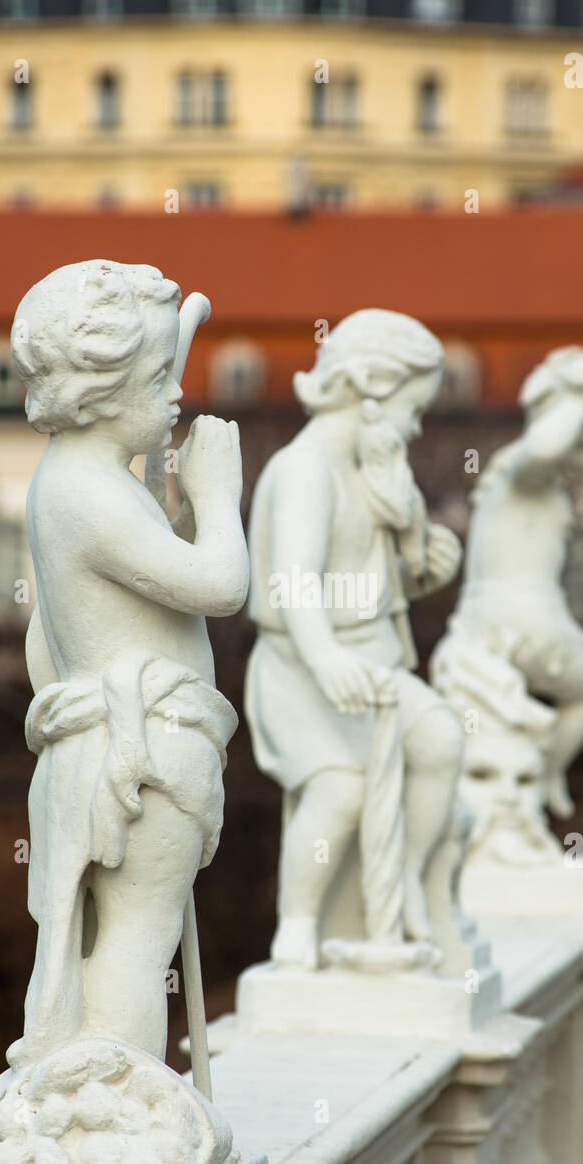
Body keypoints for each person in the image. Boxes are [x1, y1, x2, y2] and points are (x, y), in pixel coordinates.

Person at [8, 259, 247, 1065]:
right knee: (136, 952)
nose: (177, 395)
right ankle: (120, 1102)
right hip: (143, 757)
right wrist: (215, 499)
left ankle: (105, 1094)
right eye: (158, 377)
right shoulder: (91, 493)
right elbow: (219, 585)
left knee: (125, 947)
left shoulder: (77, 479)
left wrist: (170, 511)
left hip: (118, 748)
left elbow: (121, 602)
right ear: (103, 393)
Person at [245, 309, 464, 971]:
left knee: (441, 740)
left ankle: (407, 888)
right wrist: (325, 657)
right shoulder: (306, 469)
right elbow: (294, 583)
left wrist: (422, 571)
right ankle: (298, 923)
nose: (418, 425)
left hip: (369, 665)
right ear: (370, 385)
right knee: (339, 791)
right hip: (298, 668)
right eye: (413, 407)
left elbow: (370, 586)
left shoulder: (370, 472)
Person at [449, 346, 583, 819]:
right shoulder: (526, 473)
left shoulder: (529, 484)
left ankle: (525, 785)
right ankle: (548, 774)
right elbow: (546, 447)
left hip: (487, 620)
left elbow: (547, 585)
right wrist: (580, 398)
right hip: (521, 621)